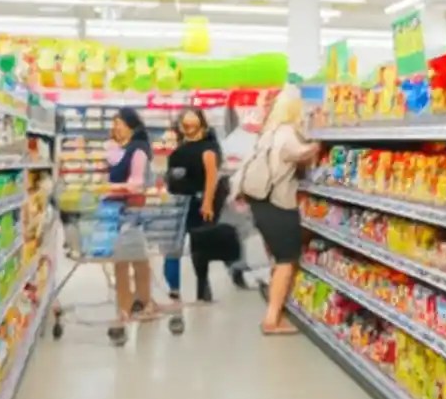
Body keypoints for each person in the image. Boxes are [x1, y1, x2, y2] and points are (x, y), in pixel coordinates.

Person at [235, 91, 318, 335]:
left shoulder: (268, 133)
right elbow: (299, 154)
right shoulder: (287, 134)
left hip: (260, 202)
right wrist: (316, 144)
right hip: (278, 204)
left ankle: (276, 309)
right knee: (286, 262)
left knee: (277, 258)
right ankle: (272, 319)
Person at [166, 107, 238, 302]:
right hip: (180, 202)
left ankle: (203, 284)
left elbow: (211, 177)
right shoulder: (180, 148)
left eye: (193, 124)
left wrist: (206, 203)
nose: (188, 128)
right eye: (185, 124)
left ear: (202, 125)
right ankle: (189, 285)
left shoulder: (208, 148)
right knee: (190, 244)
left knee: (200, 243)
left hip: (198, 201)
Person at [105, 107, 159, 320]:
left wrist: (111, 189)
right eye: (114, 123)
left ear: (131, 126)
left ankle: (138, 305)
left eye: (119, 123)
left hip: (133, 210)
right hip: (120, 210)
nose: (115, 127)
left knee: (132, 259)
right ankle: (129, 306)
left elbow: (136, 184)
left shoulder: (138, 150)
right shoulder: (124, 149)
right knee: (127, 259)